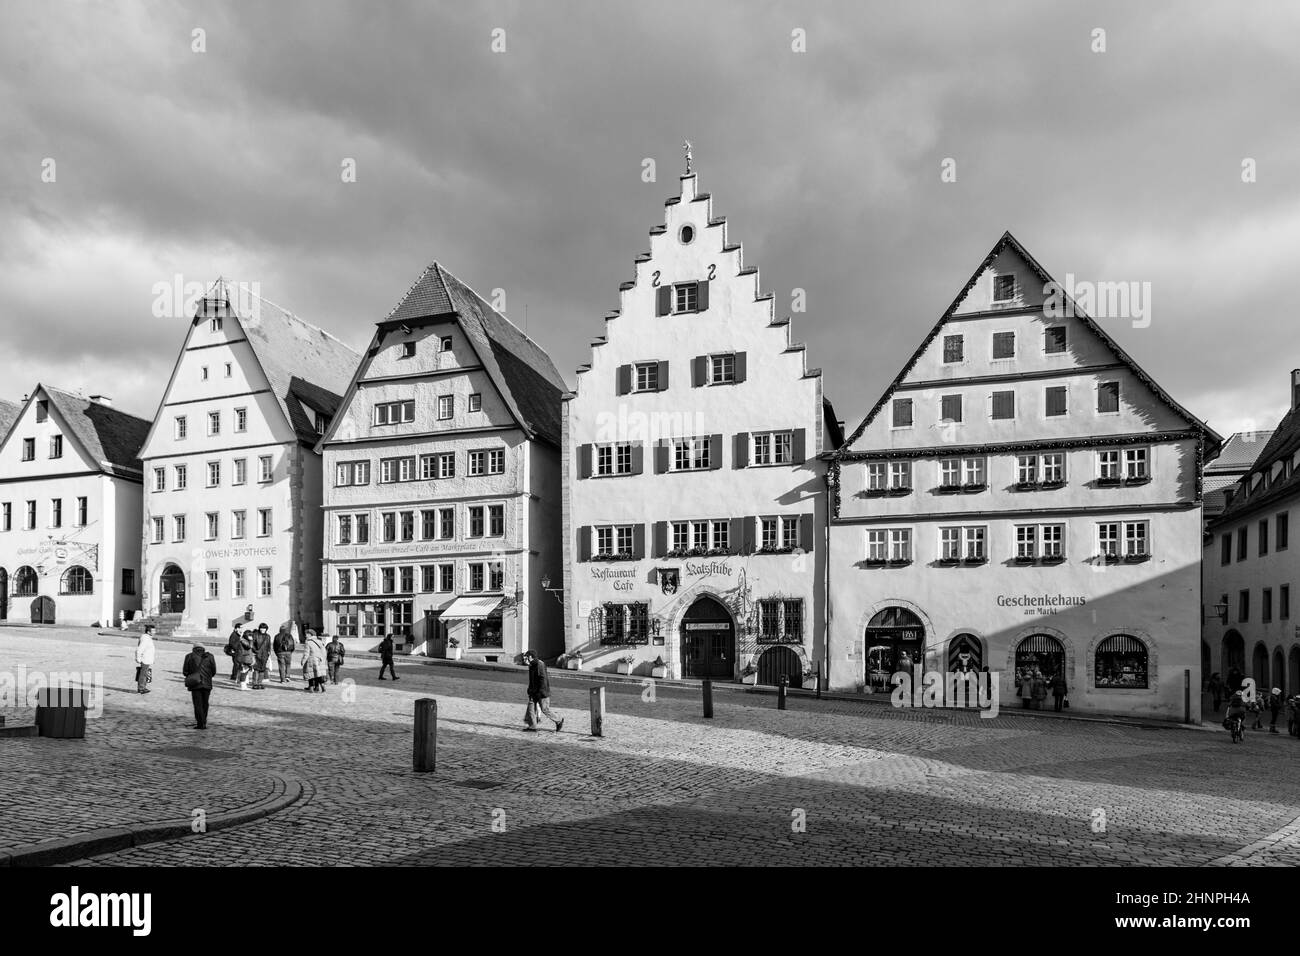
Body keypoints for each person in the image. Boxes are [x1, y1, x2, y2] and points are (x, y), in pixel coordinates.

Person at [522, 649, 563, 732]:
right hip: (533, 692)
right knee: (531, 709)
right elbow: (532, 680)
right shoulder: (531, 665)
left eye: (526, 657)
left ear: (530, 657)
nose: (525, 659)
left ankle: (558, 720)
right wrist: (530, 690)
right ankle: (532, 726)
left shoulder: (539, 664)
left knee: (545, 709)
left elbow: (543, 679)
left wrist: (541, 692)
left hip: (542, 692)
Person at [182, 643, 217, 730]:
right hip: (207, 683)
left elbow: (185, 671)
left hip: (195, 683)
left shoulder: (189, 656)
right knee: (205, 703)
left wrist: (192, 674)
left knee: (198, 704)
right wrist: (208, 676)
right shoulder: (210, 656)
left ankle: (200, 723)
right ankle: (203, 721)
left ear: (193, 648)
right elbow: (214, 671)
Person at [135, 626, 156, 694]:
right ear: (148, 632)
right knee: (143, 674)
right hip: (145, 659)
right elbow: (139, 649)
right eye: (153, 631)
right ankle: (141, 688)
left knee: (145, 673)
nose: (154, 632)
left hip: (147, 659)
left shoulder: (148, 638)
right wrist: (138, 658)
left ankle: (143, 687)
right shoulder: (146, 639)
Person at [252, 625, 273, 691]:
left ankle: (260, 683)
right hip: (257, 654)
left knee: (262, 669)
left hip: (264, 655)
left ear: (266, 629)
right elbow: (252, 644)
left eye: (264, 628)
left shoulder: (268, 636)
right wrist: (255, 651)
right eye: (261, 628)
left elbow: (269, 645)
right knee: (256, 669)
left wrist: (269, 652)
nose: (262, 629)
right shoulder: (255, 635)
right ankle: (255, 683)